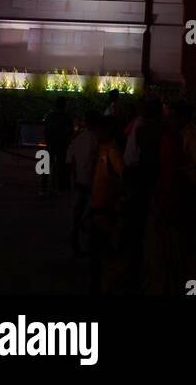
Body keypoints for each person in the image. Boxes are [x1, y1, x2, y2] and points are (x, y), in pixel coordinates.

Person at [88, 118, 125, 293]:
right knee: (98, 256)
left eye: (98, 131)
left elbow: (123, 178)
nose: (96, 134)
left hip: (105, 211)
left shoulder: (112, 151)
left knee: (103, 255)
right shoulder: (102, 150)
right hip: (99, 209)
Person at [67, 111, 100, 255]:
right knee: (92, 212)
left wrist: (73, 177)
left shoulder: (79, 138)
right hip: (92, 181)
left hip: (79, 179)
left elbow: (70, 160)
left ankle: (75, 238)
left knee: (78, 211)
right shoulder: (97, 140)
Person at [44, 97, 74, 193]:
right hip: (62, 144)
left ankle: (43, 187)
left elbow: (46, 130)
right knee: (61, 165)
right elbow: (70, 131)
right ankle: (61, 187)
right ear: (64, 105)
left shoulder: (50, 115)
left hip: (51, 144)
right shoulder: (66, 117)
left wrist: (47, 140)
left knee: (46, 165)